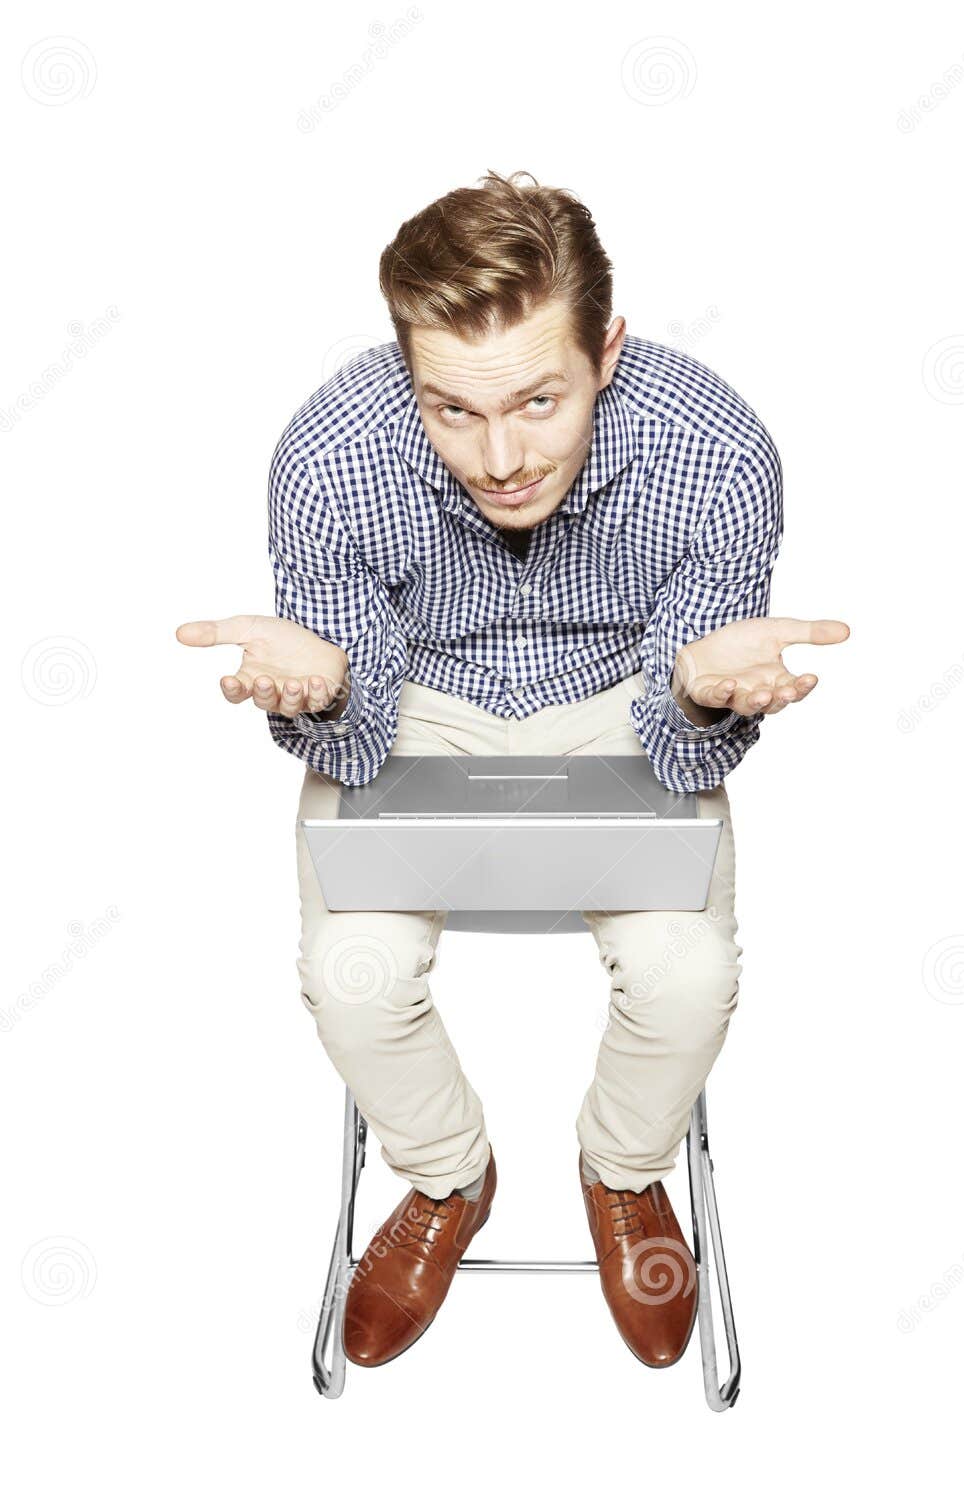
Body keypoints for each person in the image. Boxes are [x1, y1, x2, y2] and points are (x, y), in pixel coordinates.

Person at [178, 170, 848, 1372]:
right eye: (450, 410)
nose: (499, 457)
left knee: (686, 974)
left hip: (627, 698)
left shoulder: (715, 449)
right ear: (406, 371)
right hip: (413, 699)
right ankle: (447, 1178)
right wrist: (322, 684)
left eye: (540, 399)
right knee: (350, 971)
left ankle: (622, 1168)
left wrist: (699, 685)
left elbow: (680, 719)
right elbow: (355, 720)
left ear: (608, 347)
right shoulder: (329, 456)